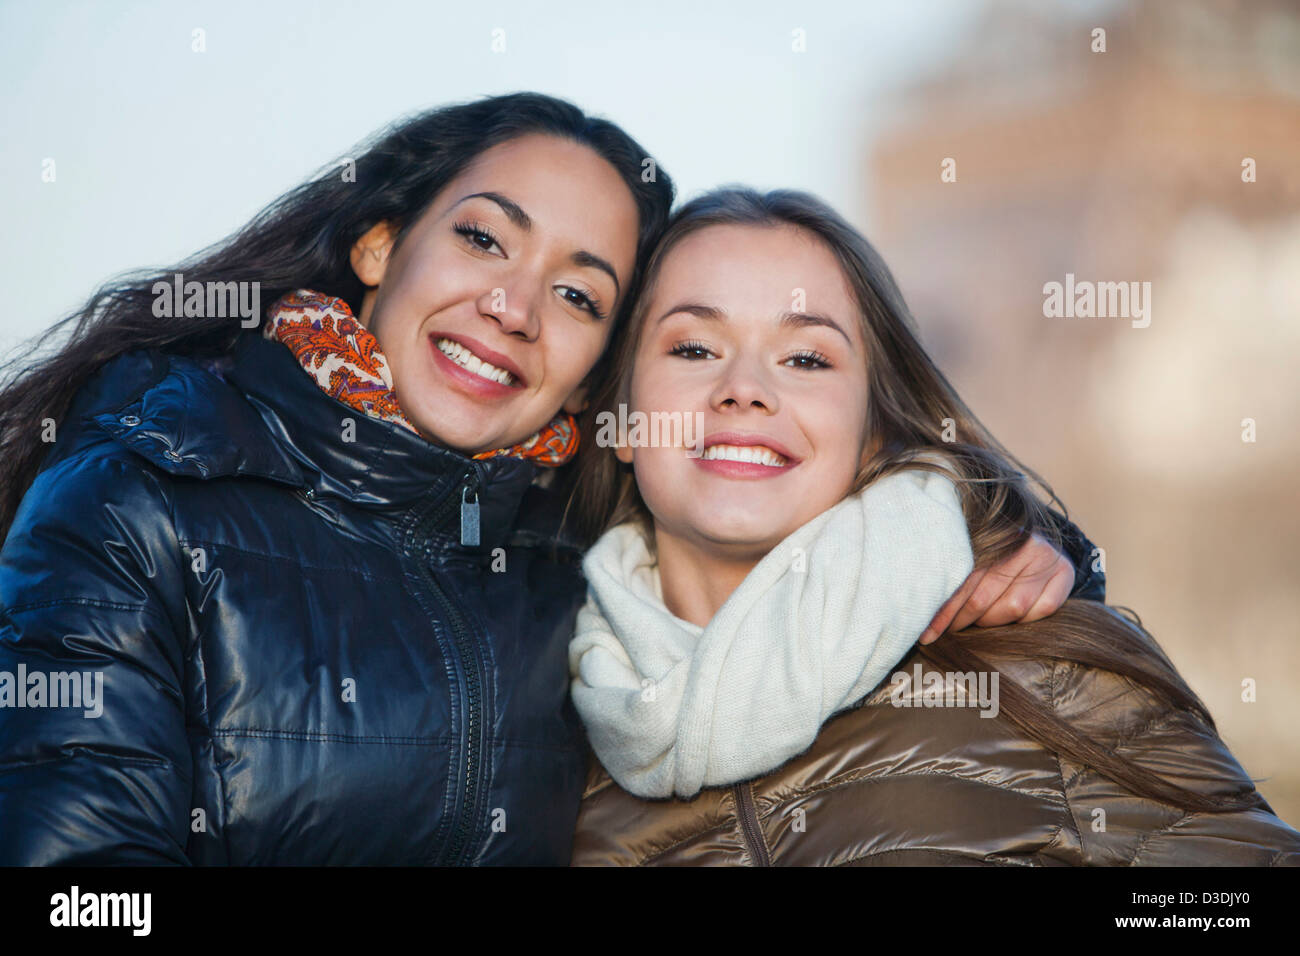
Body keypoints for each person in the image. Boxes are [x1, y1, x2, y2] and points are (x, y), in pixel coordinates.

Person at [0, 93, 1094, 866]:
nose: (514, 309)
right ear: (381, 246)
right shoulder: (137, 496)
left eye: (579, 296)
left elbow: (780, 511)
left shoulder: (571, 560)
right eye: (484, 240)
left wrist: (1015, 535)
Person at [567, 187, 1300, 866]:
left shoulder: (1041, 667)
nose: (746, 390)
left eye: (806, 357)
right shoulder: (532, 748)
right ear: (624, 422)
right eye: (694, 348)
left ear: (873, 434)